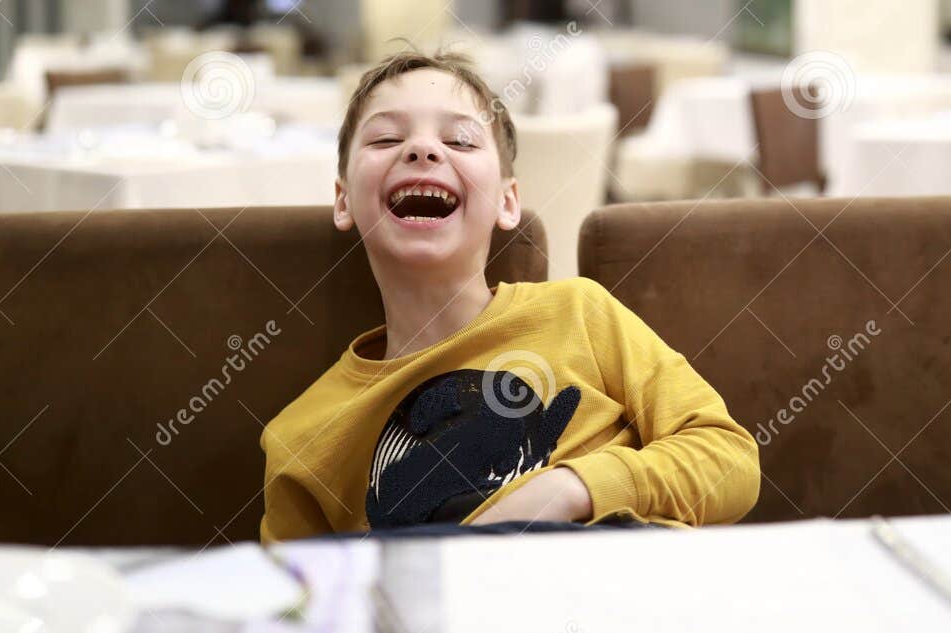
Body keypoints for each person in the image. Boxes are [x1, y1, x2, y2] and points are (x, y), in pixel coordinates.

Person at [260, 50, 760, 540]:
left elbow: (729, 459)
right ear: (344, 198)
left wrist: (570, 488)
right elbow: (303, 605)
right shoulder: (300, 438)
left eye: (460, 140)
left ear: (507, 200)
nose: (422, 149)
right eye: (388, 137)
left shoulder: (579, 313)